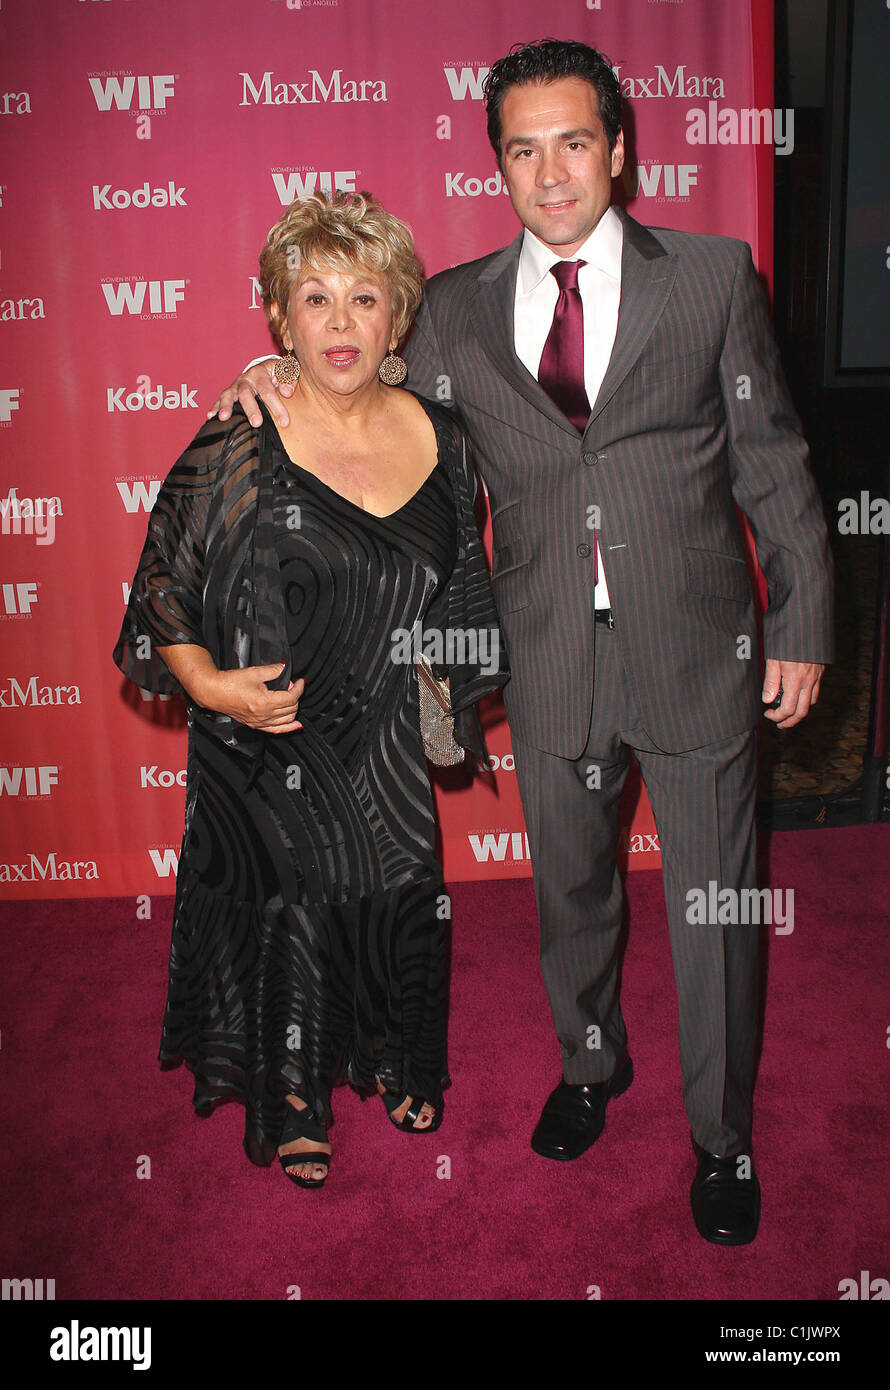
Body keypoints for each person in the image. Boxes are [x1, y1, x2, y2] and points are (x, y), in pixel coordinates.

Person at [213, 40, 833, 1241]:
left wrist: (799, 619)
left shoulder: (710, 277)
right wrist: (271, 369)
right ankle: (591, 1066)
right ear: (497, 161)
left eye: (572, 142)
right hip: (545, 647)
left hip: (697, 645)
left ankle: (722, 1136)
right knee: (571, 894)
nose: (548, 172)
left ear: (619, 150)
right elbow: (377, 406)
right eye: (521, 148)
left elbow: (773, 462)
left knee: (712, 905)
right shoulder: (450, 307)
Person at [114, 191, 507, 1189]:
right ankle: (293, 1096)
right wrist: (211, 688)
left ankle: (400, 1056)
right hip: (270, 726)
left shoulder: (443, 434)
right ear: (279, 320)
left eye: (363, 297)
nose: (340, 323)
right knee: (295, 896)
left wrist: (443, 700)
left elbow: (461, 575)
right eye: (314, 299)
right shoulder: (243, 431)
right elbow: (161, 577)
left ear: (397, 317)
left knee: (407, 885)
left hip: (380, 722)